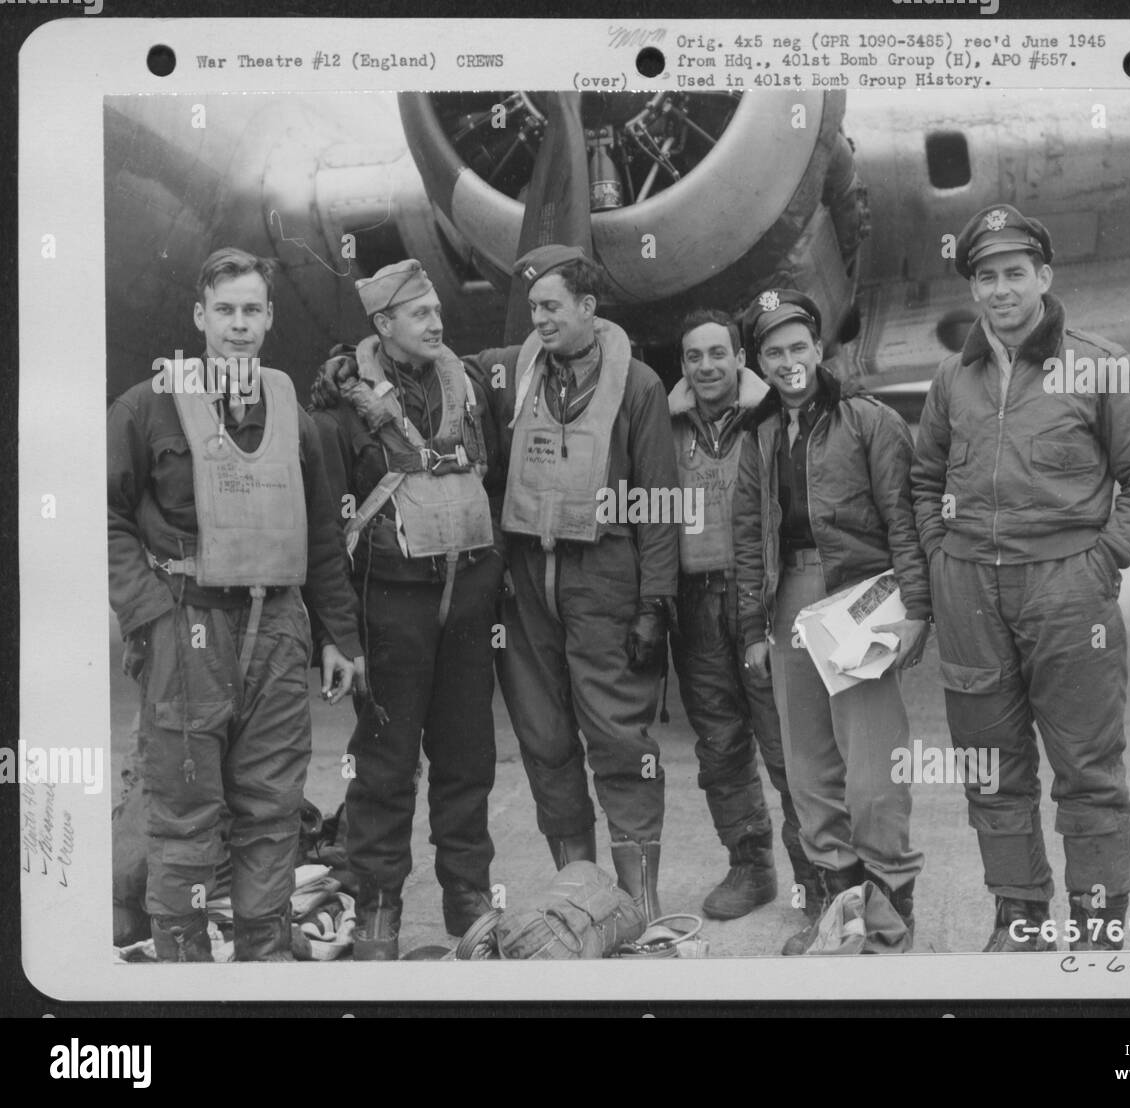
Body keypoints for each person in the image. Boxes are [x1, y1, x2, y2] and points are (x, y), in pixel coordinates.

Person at [911, 205, 1130, 951]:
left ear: (1044, 277)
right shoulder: (949, 379)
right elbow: (923, 480)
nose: (1000, 290)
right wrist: (940, 559)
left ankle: (1097, 927)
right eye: (986, 276)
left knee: (1088, 769)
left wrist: (1100, 561)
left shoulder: (1099, 364)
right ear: (973, 287)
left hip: (1068, 593)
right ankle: (1019, 918)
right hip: (970, 592)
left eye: (1014, 273)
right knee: (993, 772)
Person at [107, 247, 363, 962]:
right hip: (186, 623)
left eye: (252, 310)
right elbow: (107, 516)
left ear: (270, 318)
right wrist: (148, 616)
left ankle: (264, 956)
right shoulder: (148, 404)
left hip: (277, 627)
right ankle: (184, 965)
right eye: (225, 310)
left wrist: (335, 638)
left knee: (272, 806)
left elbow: (320, 537)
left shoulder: (295, 416)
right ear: (200, 317)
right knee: (186, 813)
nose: (239, 325)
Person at [465, 244, 679, 923]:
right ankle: (584, 902)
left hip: (604, 579)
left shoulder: (638, 385)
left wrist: (656, 601)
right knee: (545, 740)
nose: (540, 319)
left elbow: (660, 500)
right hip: (528, 582)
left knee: (620, 740)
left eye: (552, 306)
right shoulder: (515, 374)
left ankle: (638, 906)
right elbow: (447, 367)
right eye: (533, 308)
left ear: (588, 307)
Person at [308, 260, 505, 958]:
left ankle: (468, 901)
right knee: (385, 767)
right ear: (383, 325)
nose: (436, 322)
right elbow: (325, 532)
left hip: (468, 595)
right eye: (418, 314)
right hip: (389, 605)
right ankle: (379, 911)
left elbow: (496, 473)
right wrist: (338, 633)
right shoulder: (340, 405)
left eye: (436, 310)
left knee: (467, 757)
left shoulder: (471, 386)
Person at [732, 288, 931, 955]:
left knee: (872, 770)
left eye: (798, 347)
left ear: (819, 350)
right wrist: (750, 631)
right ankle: (844, 911)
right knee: (809, 769)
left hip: (857, 599)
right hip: (786, 599)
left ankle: (891, 915)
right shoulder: (758, 434)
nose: (788, 360)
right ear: (757, 361)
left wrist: (917, 611)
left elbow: (903, 520)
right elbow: (745, 536)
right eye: (773, 350)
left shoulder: (868, 421)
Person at [666, 308, 815, 920]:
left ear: (739, 359)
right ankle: (750, 867)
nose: (707, 366)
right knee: (721, 746)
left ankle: (816, 872)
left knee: (786, 742)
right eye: (694, 356)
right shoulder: (664, 424)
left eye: (718, 354)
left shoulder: (771, 418)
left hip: (761, 598)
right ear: (683, 365)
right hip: (695, 601)